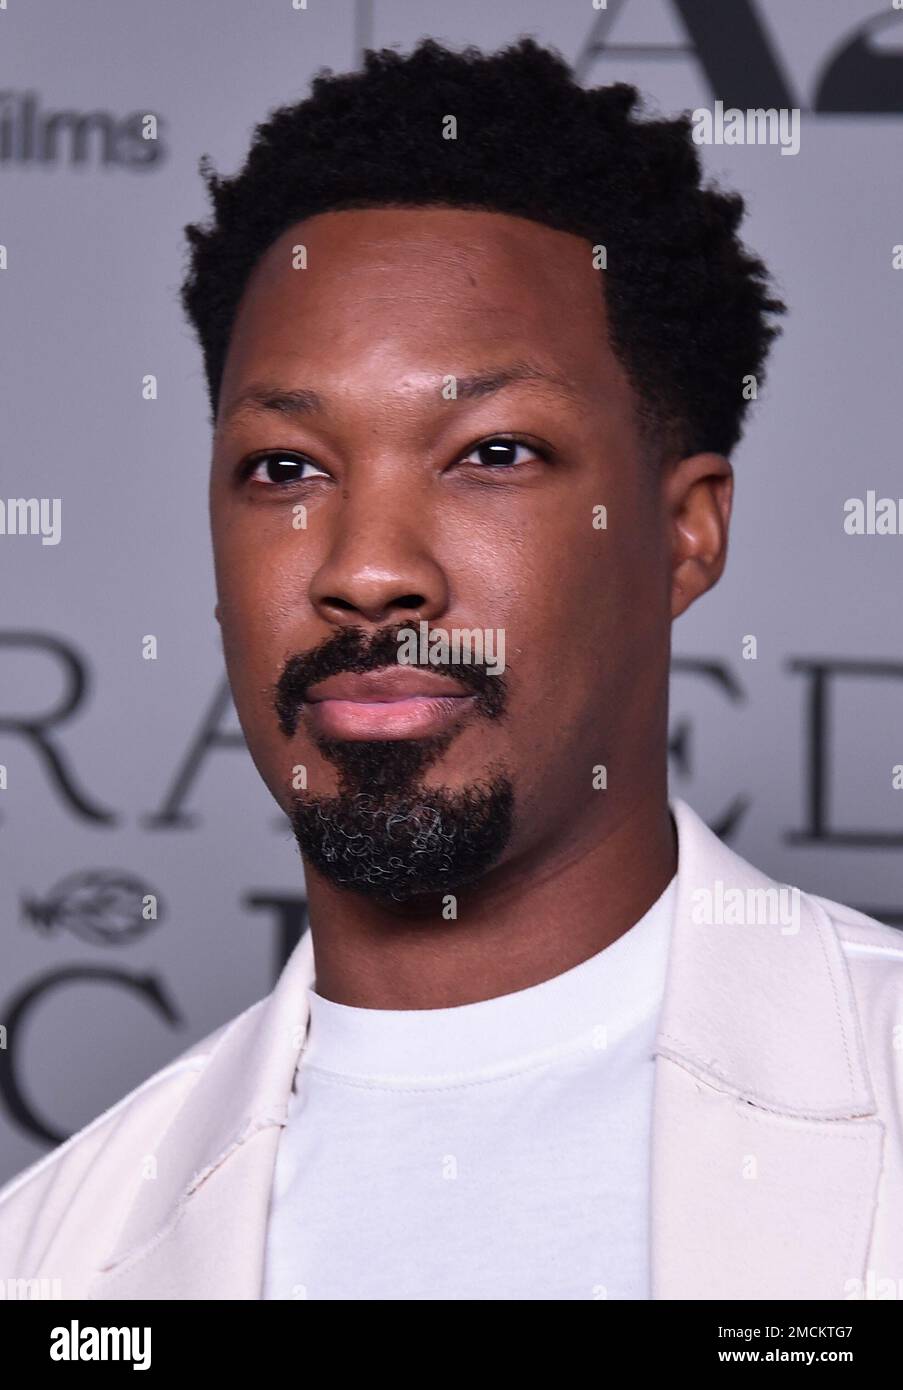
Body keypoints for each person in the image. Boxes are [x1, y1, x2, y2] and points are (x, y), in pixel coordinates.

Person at [2, 35, 901, 1302]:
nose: (369, 571)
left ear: (685, 532)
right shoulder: (48, 1259)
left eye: (492, 454)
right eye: (286, 468)